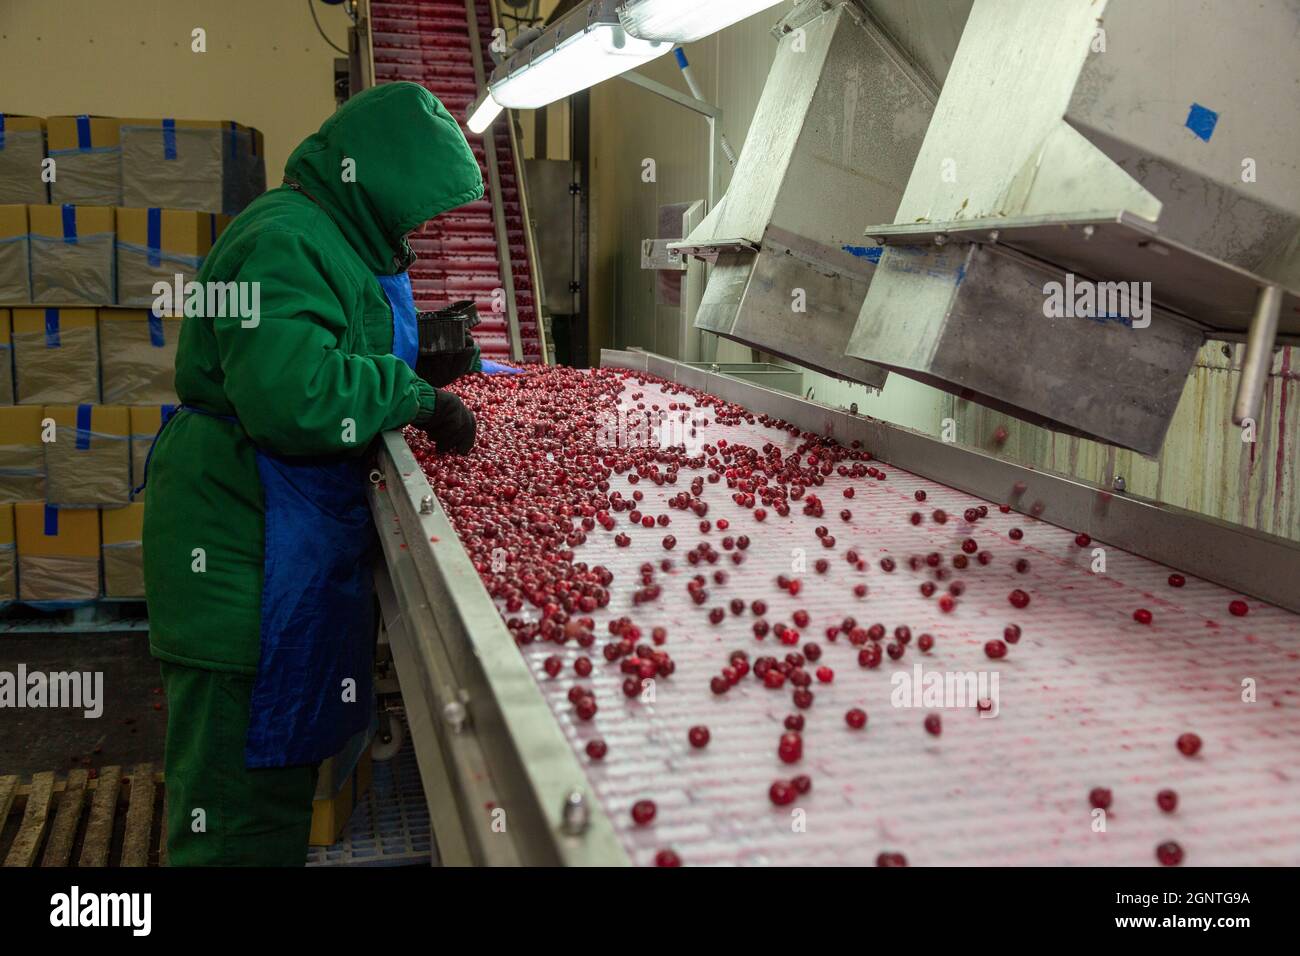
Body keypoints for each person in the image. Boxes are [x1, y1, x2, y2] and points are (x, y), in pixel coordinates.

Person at [142, 82, 483, 865]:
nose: (420, 229)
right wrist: (416, 396)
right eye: (417, 208)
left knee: (273, 790)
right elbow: (291, 395)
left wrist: (427, 356)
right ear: (381, 182)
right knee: (237, 810)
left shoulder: (330, 232)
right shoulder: (287, 238)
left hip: (278, 543)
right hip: (242, 553)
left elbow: (330, 339)